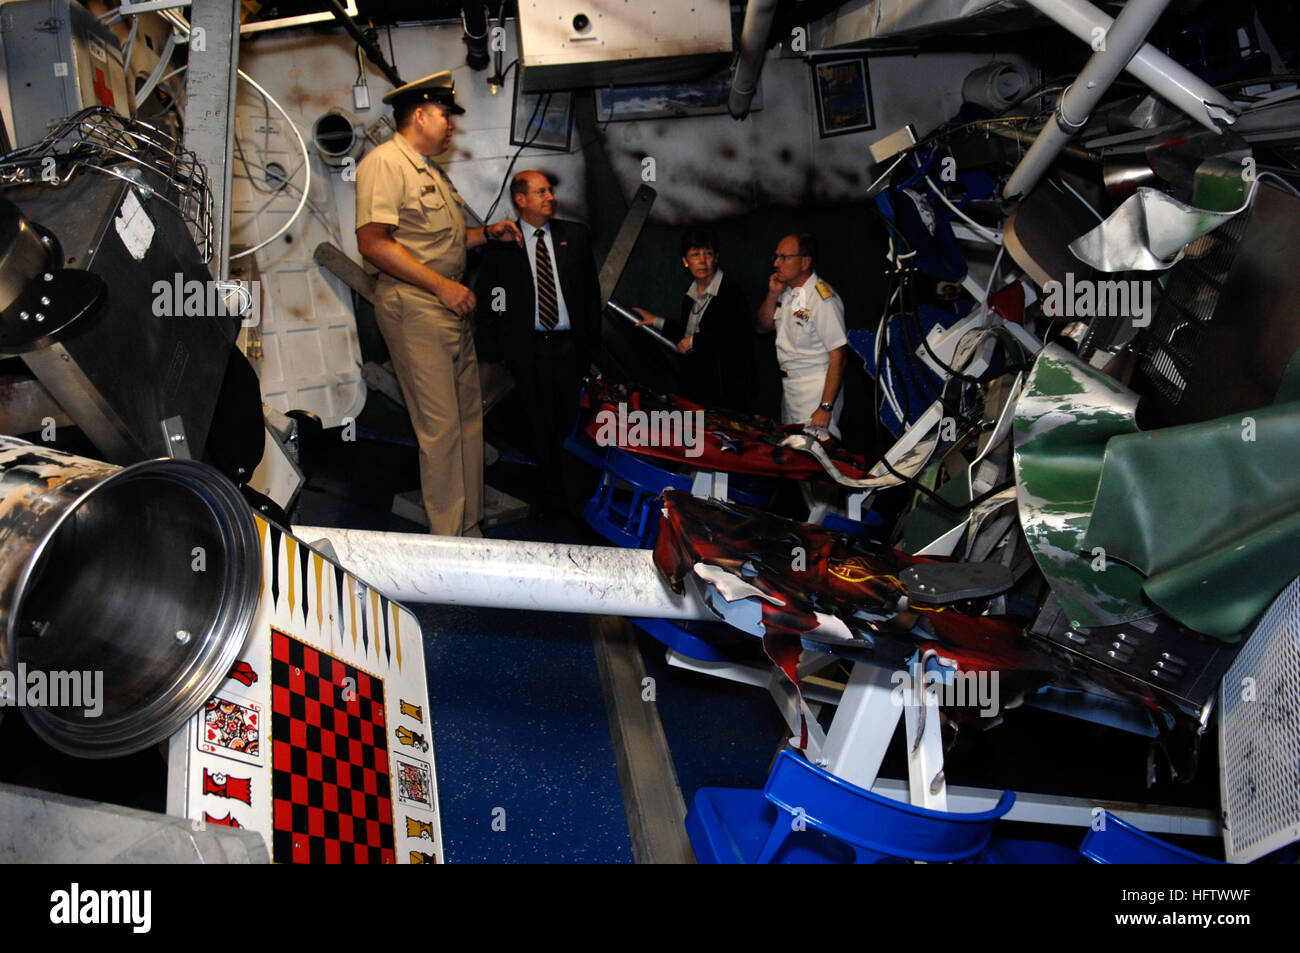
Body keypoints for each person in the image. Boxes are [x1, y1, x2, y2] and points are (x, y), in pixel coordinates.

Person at [354, 71, 522, 537]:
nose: (451, 125)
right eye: (447, 116)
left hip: (448, 303)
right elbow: (373, 243)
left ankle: (470, 527)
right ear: (421, 114)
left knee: (469, 421)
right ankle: (448, 542)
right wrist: (440, 287)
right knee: (441, 430)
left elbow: (439, 242)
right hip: (417, 305)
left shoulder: (429, 170)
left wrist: (487, 234)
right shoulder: (385, 163)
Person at [474, 170, 601, 515]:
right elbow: (487, 302)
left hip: (570, 348)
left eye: (550, 191)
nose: (550, 197)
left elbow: (591, 296)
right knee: (537, 422)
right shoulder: (502, 248)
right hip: (528, 351)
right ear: (521, 200)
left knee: (570, 420)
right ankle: (553, 497)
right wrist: (495, 353)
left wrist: (589, 346)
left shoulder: (574, 236)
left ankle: (575, 489)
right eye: (541, 192)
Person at [632, 228, 753, 410]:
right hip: (697, 389)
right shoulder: (691, 293)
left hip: (725, 395)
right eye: (695, 254)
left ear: (716, 257)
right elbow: (689, 331)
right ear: (685, 261)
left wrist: (696, 342)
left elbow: (736, 337)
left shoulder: (731, 293)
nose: (702, 261)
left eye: (708, 254)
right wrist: (656, 321)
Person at [756, 233, 848, 438]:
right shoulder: (790, 293)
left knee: (816, 457)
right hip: (791, 391)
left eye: (784, 257)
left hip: (816, 392)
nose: (777, 263)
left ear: (805, 262)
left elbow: (838, 356)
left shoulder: (822, 299)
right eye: (776, 257)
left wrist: (825, 406)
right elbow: (762, 326)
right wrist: (772, 294)